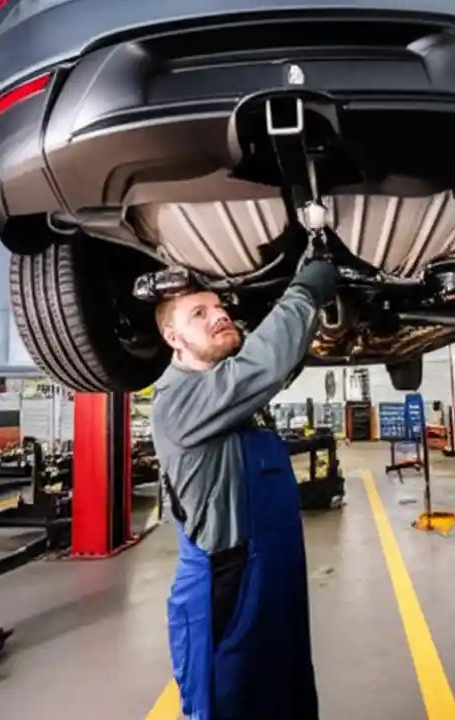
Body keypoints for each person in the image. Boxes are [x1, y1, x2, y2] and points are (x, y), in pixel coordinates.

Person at [150, 255, 339, 720]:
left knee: (287, 696)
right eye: (199, 314)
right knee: (231, 703)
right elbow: (263, 365)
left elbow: (274, 365)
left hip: (274, 579)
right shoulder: (178, 403)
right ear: (173, 339)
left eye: (219, 306)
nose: (219, 314)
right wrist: (303, 292)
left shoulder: (231, 396)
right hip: (226, 590)